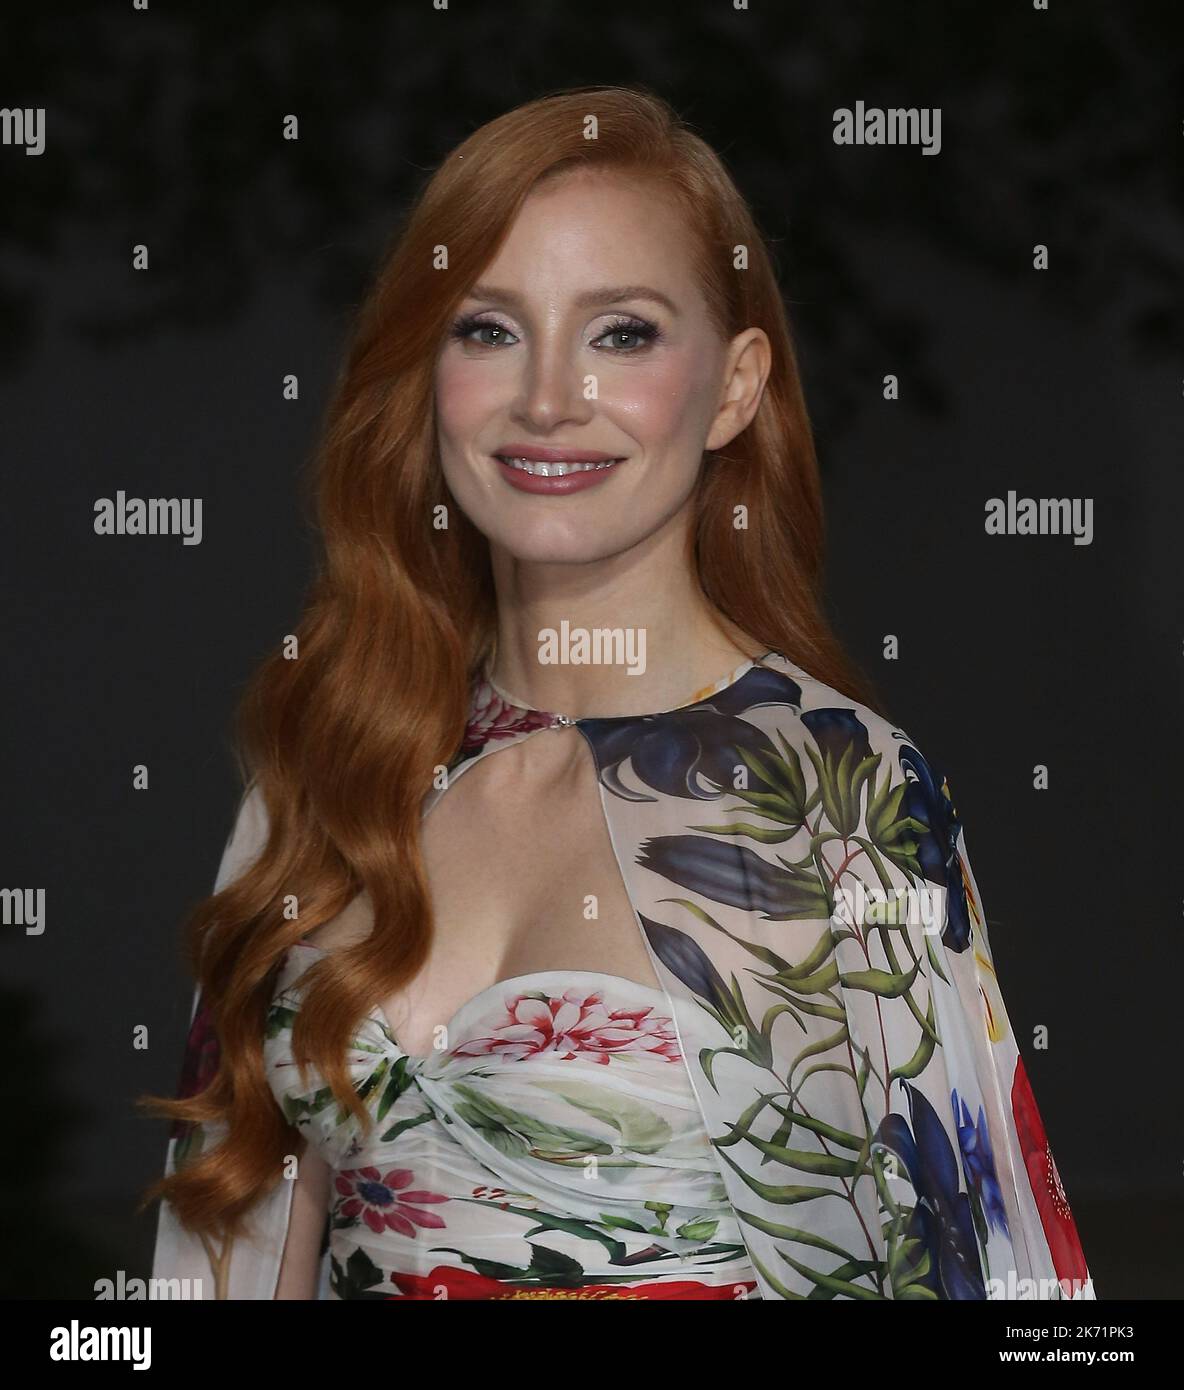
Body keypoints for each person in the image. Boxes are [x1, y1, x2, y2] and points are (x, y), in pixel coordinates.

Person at [139, 84, 1095, 1301]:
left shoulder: (836, 793)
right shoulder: (325, 773)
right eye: (486, 329)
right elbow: (208, 1273)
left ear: (737, 386)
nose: (546, 397)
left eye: (622, 333)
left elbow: (987, 1282)